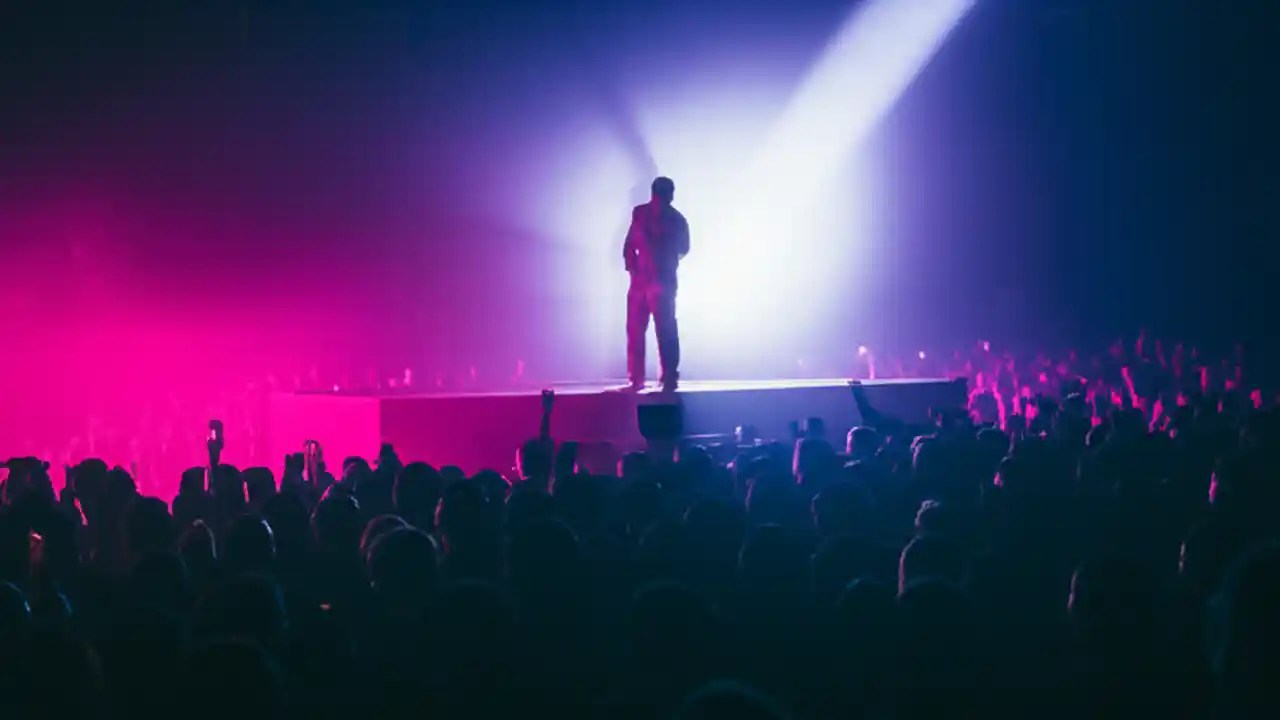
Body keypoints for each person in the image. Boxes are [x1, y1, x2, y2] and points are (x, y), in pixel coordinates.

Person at [623, 176, 689, 392]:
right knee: (659, 329)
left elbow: (629, 244)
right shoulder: (674, 219)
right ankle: (659, 377)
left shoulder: (646, 214)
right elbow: (684, 249)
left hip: (651, 280)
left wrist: (635, 266)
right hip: (653, 280)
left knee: (653, 329)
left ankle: (648, 378)